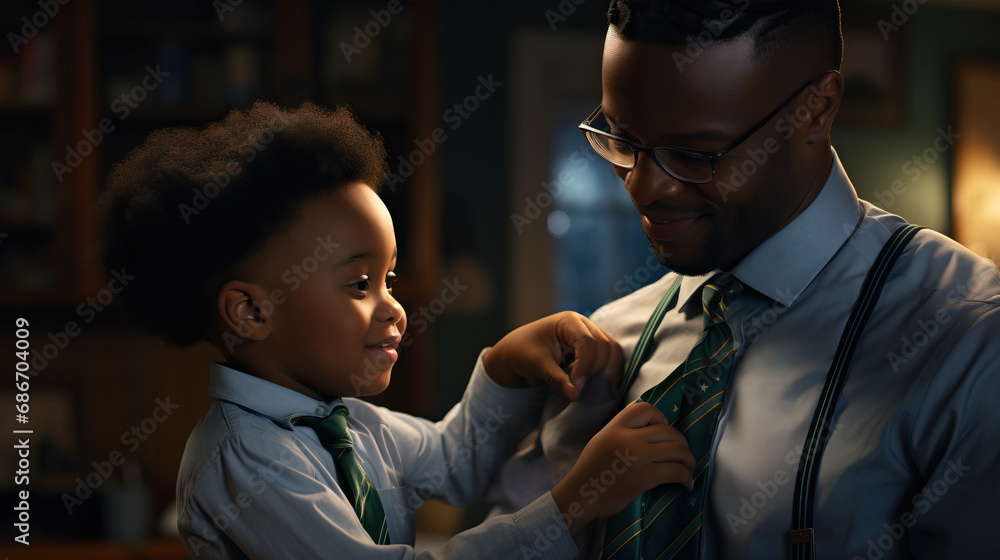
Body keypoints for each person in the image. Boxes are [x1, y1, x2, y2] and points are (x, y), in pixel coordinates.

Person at [491, 1, 1000, 558]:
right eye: (620, 138)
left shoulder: (967, 344)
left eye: (692, 152)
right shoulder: (603, 349)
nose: (642, 187)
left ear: (817, 107)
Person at [97, 101, 697, 559]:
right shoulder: (244, 461)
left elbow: (456, 460)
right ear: (252, 313)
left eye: (389, 276)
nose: (394, 308)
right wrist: (574, 505)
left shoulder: (350, 423)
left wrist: (504, 366)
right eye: (360, 285)